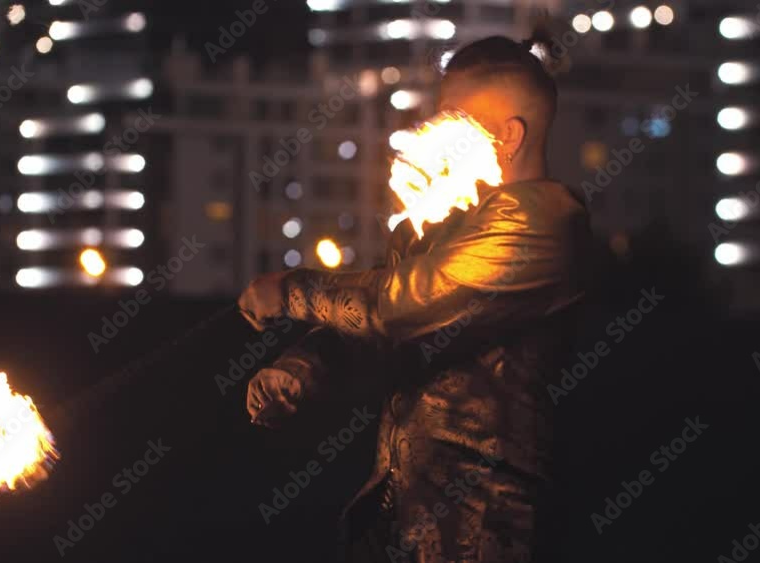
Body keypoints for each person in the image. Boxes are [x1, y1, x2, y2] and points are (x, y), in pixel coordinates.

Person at [238, 35, 591, 562]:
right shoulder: (443, 227)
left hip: (488, 527)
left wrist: (292, 290)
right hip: (403, 522)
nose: (434, 131)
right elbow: (375, 329)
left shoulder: (541, 221)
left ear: (509, 136)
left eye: (455, 118)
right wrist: (300, 369)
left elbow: (399, 308)